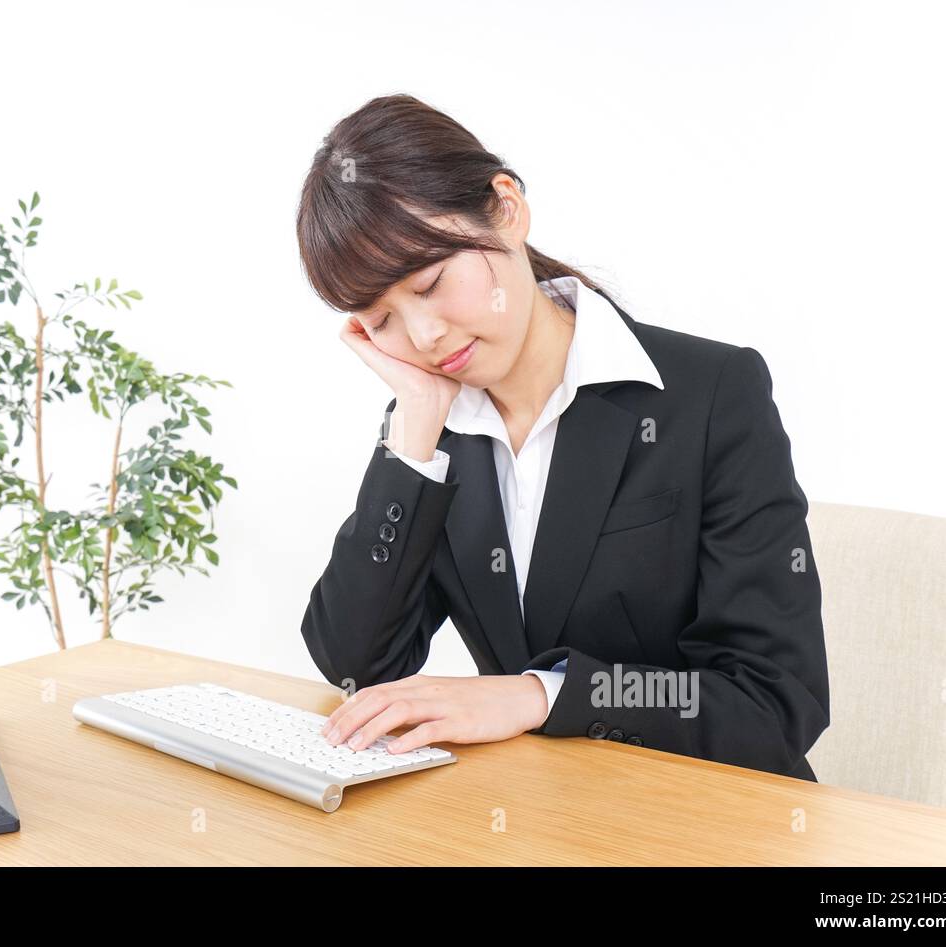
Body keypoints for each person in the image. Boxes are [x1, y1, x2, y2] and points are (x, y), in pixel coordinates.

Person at [295, 94, 829, 781]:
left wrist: (541, 693)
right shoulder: (436, 432)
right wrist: (412, 441)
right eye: (381, 319)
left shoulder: (712, 394)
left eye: (430, 284)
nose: (423, 337)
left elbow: (772, 702)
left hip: (708, 822)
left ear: (507, 209)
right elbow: (355, 667)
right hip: (539, 818)